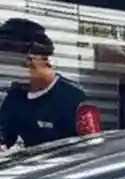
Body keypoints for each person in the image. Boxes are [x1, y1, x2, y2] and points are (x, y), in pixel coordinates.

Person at [0, 18, 87, 149]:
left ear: (31, 58)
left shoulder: (75, 99)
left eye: (7, 62)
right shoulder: (14, 96)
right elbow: (4, 137)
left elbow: (89, 152)